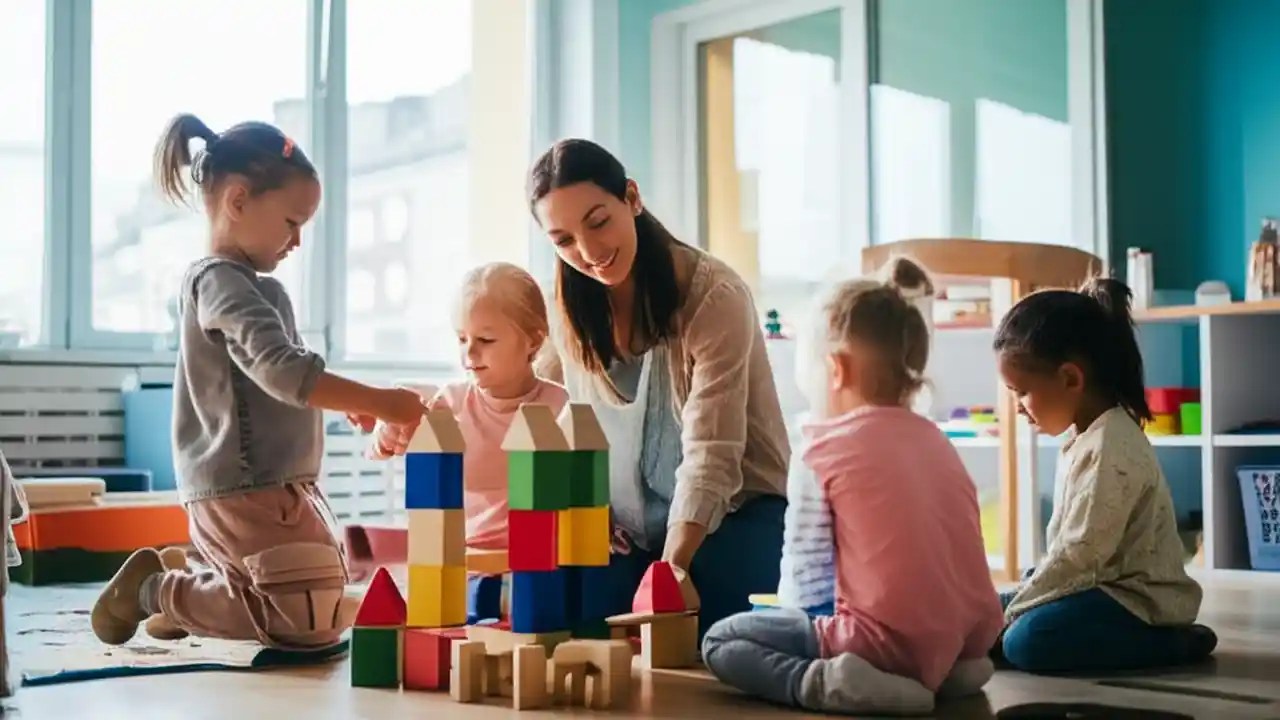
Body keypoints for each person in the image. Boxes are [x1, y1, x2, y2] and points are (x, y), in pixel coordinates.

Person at [90, 113, 426, 649]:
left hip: (281, 484)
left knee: (324, 592)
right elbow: (282, 370)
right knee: (303, 625)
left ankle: (200, 592)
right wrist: (382, 401)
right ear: (239, 200)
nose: (296, 241)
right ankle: (158, 591)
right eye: (292, 222)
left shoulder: (256, 287)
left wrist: (346, 403)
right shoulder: (219, 280)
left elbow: (284, 375)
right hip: (244, 485)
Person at [700, 260, 1003, 716]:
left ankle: (834, 683)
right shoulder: (935, 439)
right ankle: (949, 670)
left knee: (722, 641)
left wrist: (794, 620)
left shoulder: (822, 449)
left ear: (835, 370)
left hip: (880, 644)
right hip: (969, 635)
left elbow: (805, 579)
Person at [528, 139, 789, 638]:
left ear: (632, 198)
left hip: (733, 510)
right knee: (586, 623)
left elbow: (712, 453)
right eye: (563, 240)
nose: (588, 252)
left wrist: (673, 569)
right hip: (629, 527)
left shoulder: (714, 296)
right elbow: (529, 394)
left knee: (711, 635)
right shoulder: (565, 305)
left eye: (598, 221)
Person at [992, 278, 1218, 673]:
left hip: (1139, 602)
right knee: (983, 612)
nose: (1018, 408)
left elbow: (1081, 557)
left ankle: (1176, 642)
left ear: (1070, 379)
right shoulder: (1085, 437)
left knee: (1025, 639)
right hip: (1097, 587)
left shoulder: (1111, 445)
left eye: (1021, 392)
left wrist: (1016, 609)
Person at [370, 262, 568, 622]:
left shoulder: (562, 407)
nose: (469, 354)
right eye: (462, 339)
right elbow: (402, 424)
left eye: (486, 340)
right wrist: (387, 433)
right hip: (463, 563)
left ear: (533, 341)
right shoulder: (452, 403)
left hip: (538, 567)